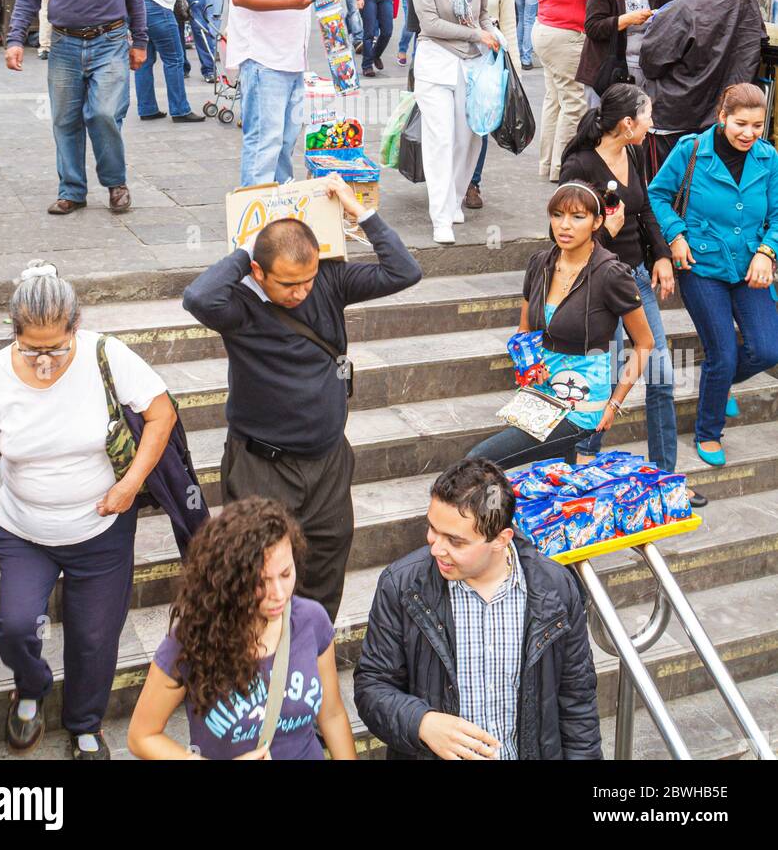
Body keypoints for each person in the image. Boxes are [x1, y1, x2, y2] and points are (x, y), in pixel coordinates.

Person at [0, 261, 176, 760]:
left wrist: (132, 484)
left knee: (94, 637)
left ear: (76, 327)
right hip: (26, 530)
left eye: (56, 348)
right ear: (14, 333)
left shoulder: (105, 354)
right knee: (17, 622)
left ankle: (84, 724)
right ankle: (30, 686)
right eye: (31, 349)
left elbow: (162, 413)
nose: (44, 361)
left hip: (101, 529)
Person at [182, 174, 422, 620]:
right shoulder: (239, 305)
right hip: (262, 467)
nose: (300, 293)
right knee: (257, 579)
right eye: (288, 284)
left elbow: (404, 271)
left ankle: (312, 663)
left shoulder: (329, 280)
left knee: (325, 576)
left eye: (307, 280)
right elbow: (197, 297)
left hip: (328, 464)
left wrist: (359, 210)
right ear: (257, 271)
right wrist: (246, 246)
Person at [353, 458, 602, 761]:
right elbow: (372, 686)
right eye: (433, 529)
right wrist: (422, 723)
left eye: (455, 541)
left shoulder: (556, 589)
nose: (436, 548)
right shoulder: (402, 585)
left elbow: (577, 702)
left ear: (500, 540)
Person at [128, 499, 357, 761]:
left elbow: (332, 714)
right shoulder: (193, 638)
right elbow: (141, 736)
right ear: (231, 579)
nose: (279, 594)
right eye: (261, 581)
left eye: (285, 574)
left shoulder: (311, 620)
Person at [558, 87, 701, 494]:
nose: (652, 125)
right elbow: (564, 236)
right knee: (605, 380)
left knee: (661, 376)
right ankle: (582, 471)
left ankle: (664, 478)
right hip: (598, 285)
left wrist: (659, 254)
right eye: (648, 117)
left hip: (636, 279)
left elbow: (646, 207)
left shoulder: (634, 153)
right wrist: (605, 231)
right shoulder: (579, 166)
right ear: (627, 124)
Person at [468, 182, 652, 469]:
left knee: (478, 460)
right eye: (557, 215)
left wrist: (614, 405)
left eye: (577, 217)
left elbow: (645, 343)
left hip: (581, 406)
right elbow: (524, 331)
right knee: (555, 478)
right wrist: (529, 364)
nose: (564, 225)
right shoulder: (540, 263)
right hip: (540, 397)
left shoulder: (612, 274)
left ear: (597, 221)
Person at [648, 84, 778, 468]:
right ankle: (708, 429)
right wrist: (675, 235)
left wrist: (767, 251)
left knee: (768, 348)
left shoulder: (768, 158)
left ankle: (718, 387)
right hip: (701, 267)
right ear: (722, 118)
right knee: (721, 352)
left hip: (750, 268)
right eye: (741, 123)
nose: (749, 133)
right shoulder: (691, 150)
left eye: (757, 125)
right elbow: (656, 195)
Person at [6, 0, 146, 216]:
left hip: (110, 41)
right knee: (65, 120)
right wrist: (14, 39)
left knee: (102, 113)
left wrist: (139, 42)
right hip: (64, 45)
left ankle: (116, 184)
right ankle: (72, 190)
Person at [639, 0, 765, 174]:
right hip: (720, 113)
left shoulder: (683, 7)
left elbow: (652, 61)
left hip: (676, 117)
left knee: (667, 190)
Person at [409, 0, 501, 244]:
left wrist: (493, 35)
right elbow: (430, 24)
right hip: (435, 61)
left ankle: (455, 198)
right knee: (440, 140)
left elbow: (483, 14)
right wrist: (476, 33)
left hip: (472, 65)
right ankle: (440, 216)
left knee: (470, 138)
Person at [228, 0, 313, 187]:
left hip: (292, 59)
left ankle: (281, 212)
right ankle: (255, 220)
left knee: (284, 143)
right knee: (264, 142)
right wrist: (288, 2)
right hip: (265, 59)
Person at [531, 0, 606, 183]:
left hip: (544, 32)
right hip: (565, 36)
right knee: (573, 103)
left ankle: (548, 164)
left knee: (554, 100)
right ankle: (565, 167)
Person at [464, 0, 522, 212]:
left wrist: (514, 67)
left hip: (491, 54)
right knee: (456, 120)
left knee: (481, 121)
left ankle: (473, 182)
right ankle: (452, 180)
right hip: (459, 51)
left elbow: (508, 19)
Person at [577, 0, 668, 106]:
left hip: (643, 72)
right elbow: (592, 27)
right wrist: (626, 20)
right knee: (603, 124)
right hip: (606, 70)